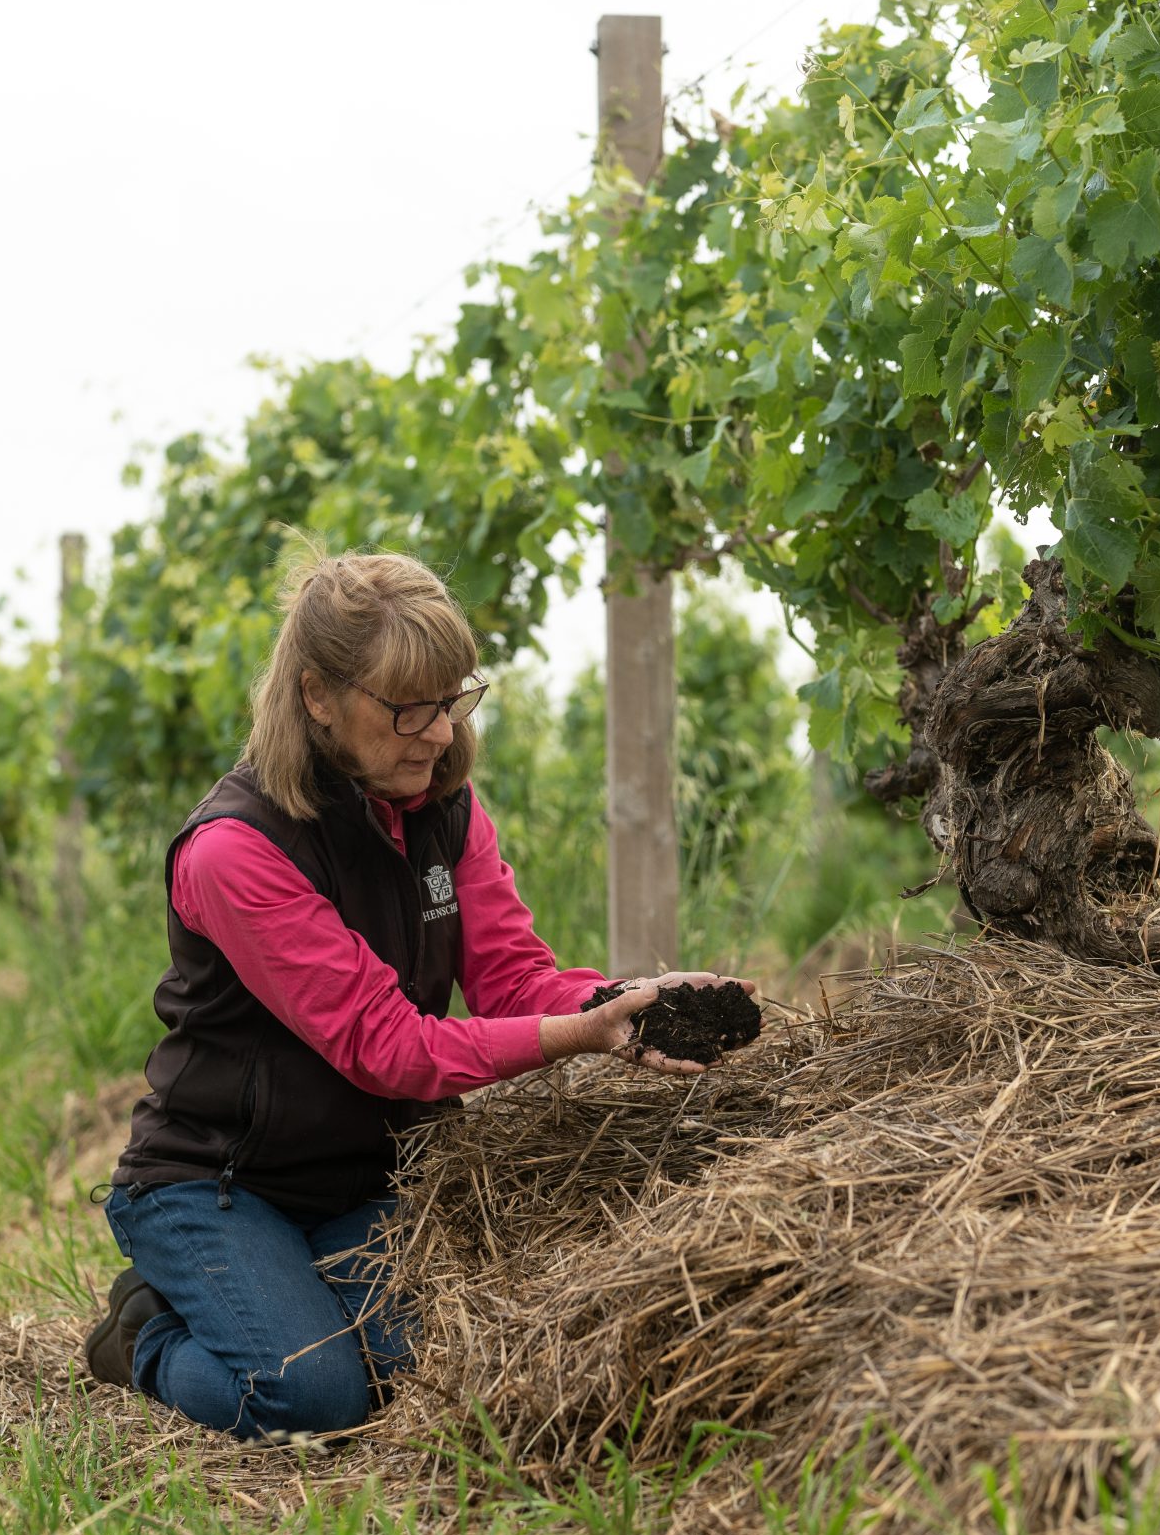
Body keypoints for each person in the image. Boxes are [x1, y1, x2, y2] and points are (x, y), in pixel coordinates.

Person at [84, 545, 752, 1440]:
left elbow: (514, 980)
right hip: (223, 1178)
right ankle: (147, 1337)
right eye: (410, 709)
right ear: (318, 696)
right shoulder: (235, 850)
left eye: (452, 699)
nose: (439, 733)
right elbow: (387, 1045)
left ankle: (288, 1284)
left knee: (439, 1365)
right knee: (316, 1399)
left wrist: (627, 998)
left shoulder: (446, 807)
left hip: (365, 1178)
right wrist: (578, 1037)